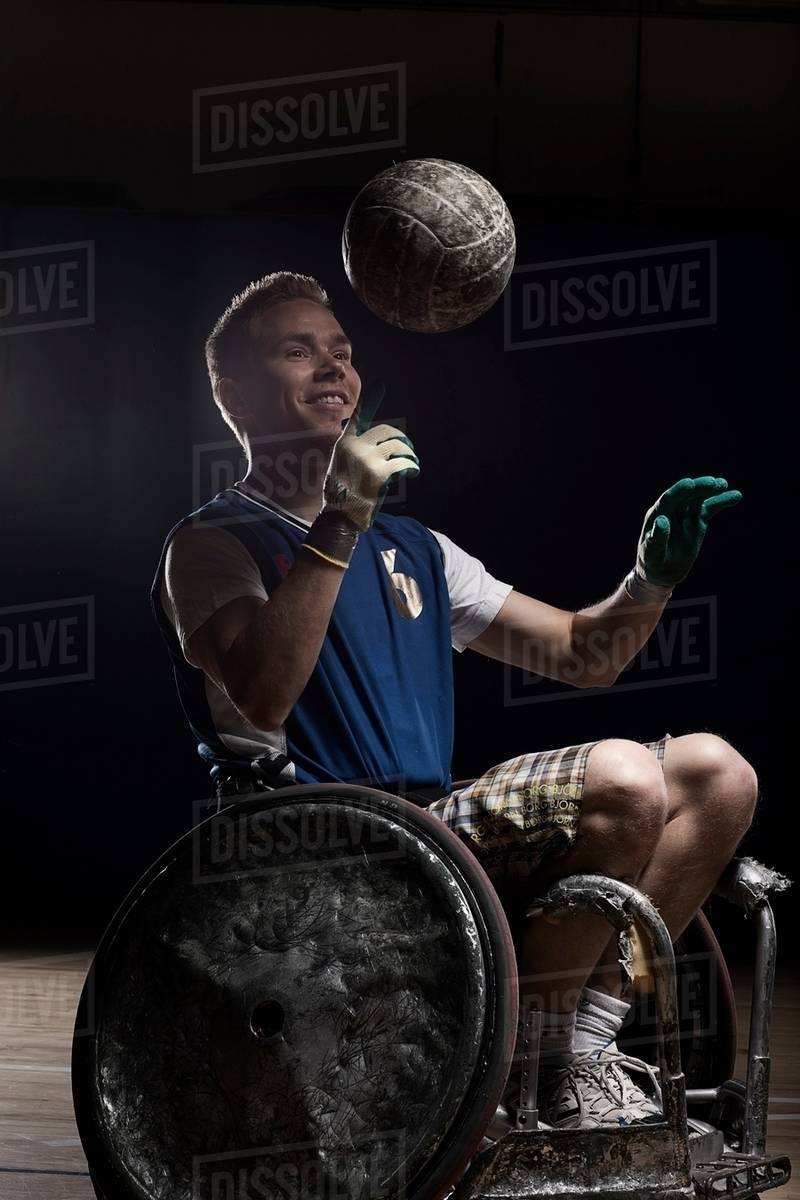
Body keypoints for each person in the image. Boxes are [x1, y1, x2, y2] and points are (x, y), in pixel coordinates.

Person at [151, 270, 757, 1132]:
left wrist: (649, 580)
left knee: (716, 773)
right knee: (623, 777)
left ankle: (579, 1047)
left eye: (342, 352)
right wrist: (340, 519)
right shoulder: (210, 544)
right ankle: (552, 1067)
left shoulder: (418, 548)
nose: (333, 370)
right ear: (232, 395)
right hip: (315, 848)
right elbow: (264, 691)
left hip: (431, 826)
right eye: (297, 352)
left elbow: (586, 654)